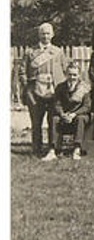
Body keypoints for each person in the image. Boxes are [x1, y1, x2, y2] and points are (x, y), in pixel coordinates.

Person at [22, 22, 68, 156]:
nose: (45, 36)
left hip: (54, 91)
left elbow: (65, 70)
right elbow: (22, 71)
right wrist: (28, 86)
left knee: (53, 121)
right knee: (36, 122)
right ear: (38, 35)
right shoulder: (30, 52)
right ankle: (36, 149)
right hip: (35, 92)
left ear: (52, 35)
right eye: (43, 33)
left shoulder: (58, 52)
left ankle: (53, 148)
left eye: (48, 33)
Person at [48, 62, 91, 161]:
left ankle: (76, 149)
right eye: (70, 74)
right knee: (55, 119)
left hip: (78, 114)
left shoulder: (85, 87)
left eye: (75, 75)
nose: (72, 77)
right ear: (66, 74)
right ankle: (53, 150)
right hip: (64, 114)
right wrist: (62, 114)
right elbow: (57, 104)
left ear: (79, 75)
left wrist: (73, 114)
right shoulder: (60, 87)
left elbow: (86, 106)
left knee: (81, 119)